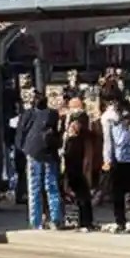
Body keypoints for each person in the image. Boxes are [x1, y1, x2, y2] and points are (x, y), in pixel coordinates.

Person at [19, 89, 64, 230]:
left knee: (34, 187)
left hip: (33, 151)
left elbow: (21, 133)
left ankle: (36, 221)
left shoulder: (28, 114)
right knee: (52, 186)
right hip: (49, 153)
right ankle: (56, 219)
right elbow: (57, 133)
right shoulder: (53, 114)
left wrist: (24, 148)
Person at [103, 97, 130, 233]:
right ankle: (121, 220)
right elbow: (110, 143)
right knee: (120, 193)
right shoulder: (114, 124)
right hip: (119, 161)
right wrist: (108, 160)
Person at [62, 98, 94, 231]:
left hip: (77, 167)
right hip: (75, 167)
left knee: (82, 194)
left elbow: (83, 155)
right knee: (82, 194)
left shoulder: (78, 138)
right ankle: (85, 221)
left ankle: (85, 222)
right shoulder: (78, 136)